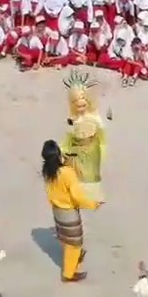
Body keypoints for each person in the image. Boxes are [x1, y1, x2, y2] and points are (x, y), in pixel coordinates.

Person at [42, 139, 101, 283]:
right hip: (69, 212)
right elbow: (77, 196)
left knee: (65, 238)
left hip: (57, 210)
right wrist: (93, 204)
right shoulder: (67, 173)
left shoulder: (47, 171)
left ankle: (74, 258)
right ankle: (69, 273)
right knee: (74, 244)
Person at [61, 70, 107, 203]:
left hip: (91, 147)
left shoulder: (93, 117)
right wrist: (65, 149)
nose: (80, 106)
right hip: (77, 147)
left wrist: (102, 146)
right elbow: (69, 135)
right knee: (75, 172)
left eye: (83, 103)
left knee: (91, 173)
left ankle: (94, 196)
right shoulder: (73, 119)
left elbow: (101, 131)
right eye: (77, 104)